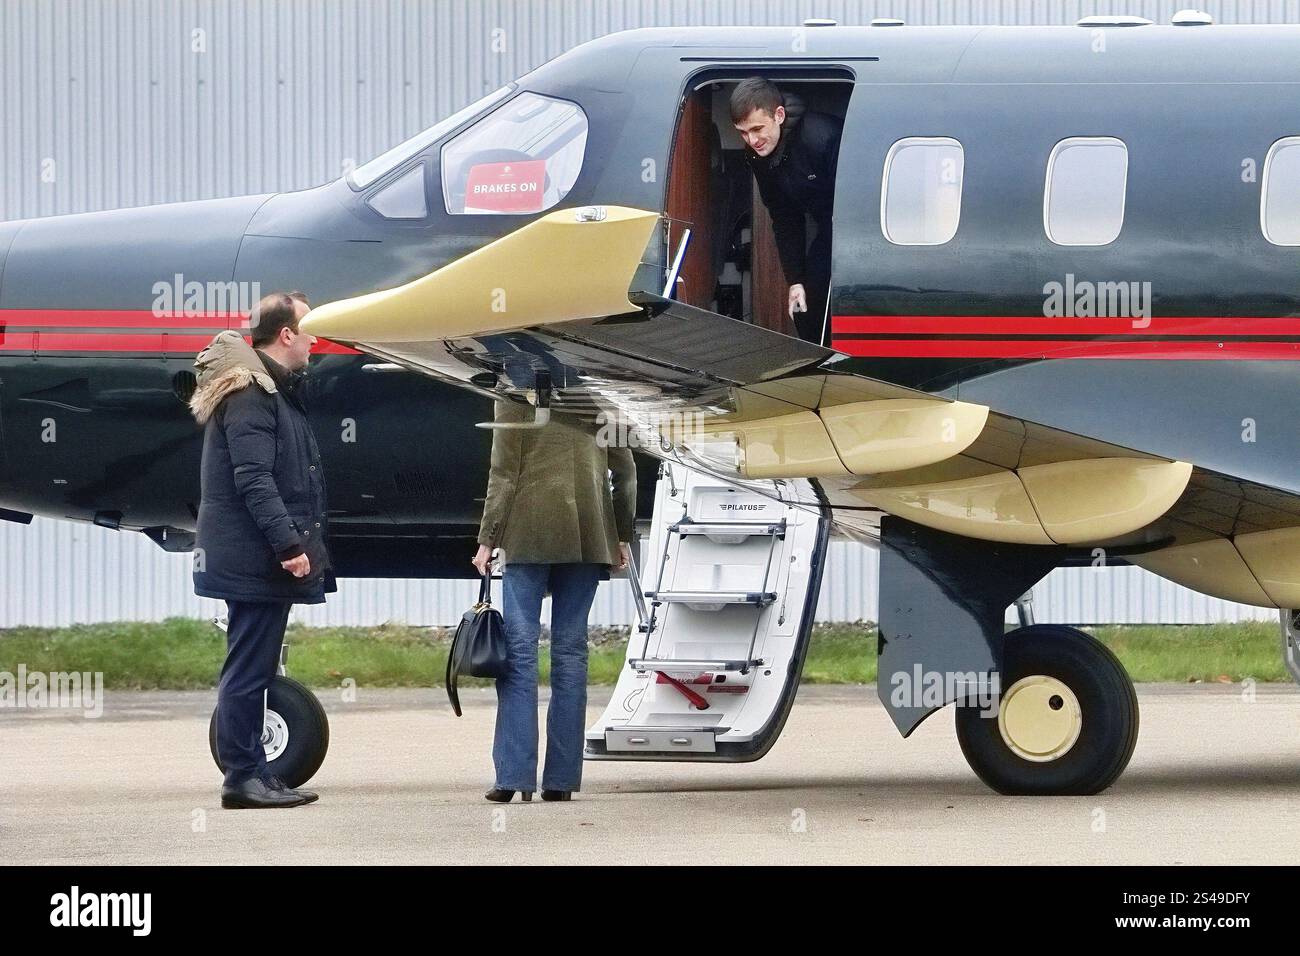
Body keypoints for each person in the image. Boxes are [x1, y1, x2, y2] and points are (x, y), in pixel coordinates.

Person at [190, 291, 335, 809]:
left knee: (255, 666)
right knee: (249, 670)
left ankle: (258, 774)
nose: (315, 338)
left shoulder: (272, 391)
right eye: (309, 327)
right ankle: (242, 779)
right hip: (253, 559)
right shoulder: (252, 396)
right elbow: (253, 479)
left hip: (255, 559)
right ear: (287, 334)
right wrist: (288, 545)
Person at [472, 400, 636, 803]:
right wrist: (621, 535)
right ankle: (561, 781)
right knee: (571, 652)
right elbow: (627, 472)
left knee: (521, 654)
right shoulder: (596, 393)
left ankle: (514, 778)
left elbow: (504, 473)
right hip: (589, 535)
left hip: (528, 535)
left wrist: (487, 538)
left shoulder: (514, 394)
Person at [731, 77, 843, 344]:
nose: (752, 140)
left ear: (779, 115)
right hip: (827, 228)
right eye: (743, 132)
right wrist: (795, 279)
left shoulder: (822, 137)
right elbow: (783, 216)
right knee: (805, 306)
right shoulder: (757, 154)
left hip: (853, 225)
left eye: (758, 128)